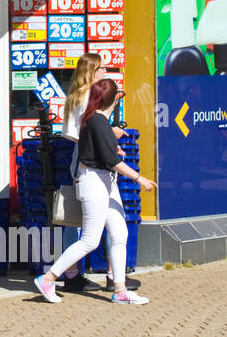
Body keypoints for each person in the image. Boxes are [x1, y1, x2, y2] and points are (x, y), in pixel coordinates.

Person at [35, 78, 156, 305]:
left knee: (119, 233)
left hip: (102, 181)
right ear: (114, 99)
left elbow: (98, 148)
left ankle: (120, 290)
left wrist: (112, 144)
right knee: (90, 240)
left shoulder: (95, 120)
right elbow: (110, 159)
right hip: (95, 183)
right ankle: (48, 278)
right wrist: (140, 178)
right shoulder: (98, 121)